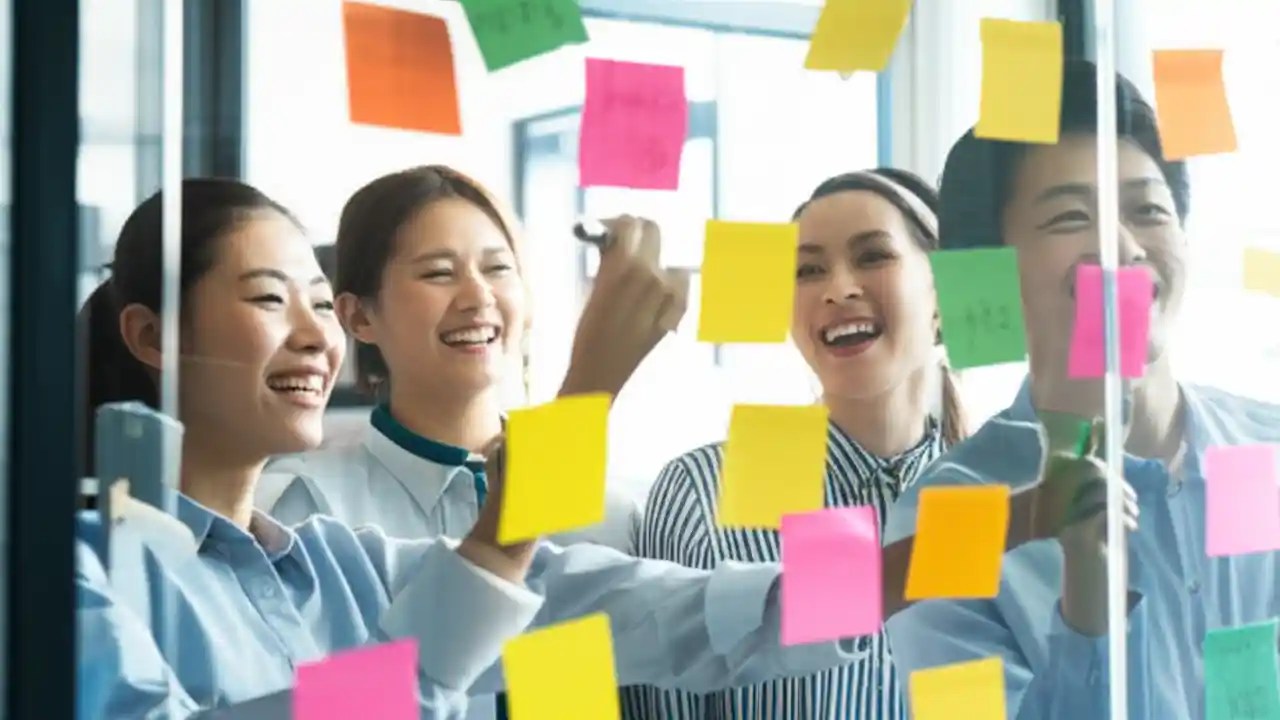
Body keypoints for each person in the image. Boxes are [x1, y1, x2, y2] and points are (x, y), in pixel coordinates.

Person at [77, 179, 879, 719]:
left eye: (318, 302)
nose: (314, 336)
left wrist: (943, 553)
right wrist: (583, 400)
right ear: (151, 335)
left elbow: (673, 614)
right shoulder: (76, 576)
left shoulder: (344, 567)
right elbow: (398, 688)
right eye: (267, 299)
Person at [882, 59, 1280, 719]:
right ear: (992, 271)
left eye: (1148, 210)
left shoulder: (1269, 451)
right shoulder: (947, 516)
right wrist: (1086, 615)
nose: (1123, 248)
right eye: (1070, 217)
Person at [622, 169, 967, 720]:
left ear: (943, 291)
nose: (838, 289)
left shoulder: (996, 497)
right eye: (807, 271)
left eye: (873, 256)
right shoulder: (706, 489)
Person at [257, 166, 645, 552]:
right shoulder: (303, 508)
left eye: (498, 268)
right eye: (439, 273)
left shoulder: (613, 513)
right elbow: (456, 610)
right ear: (358, 316)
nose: (478, 296)